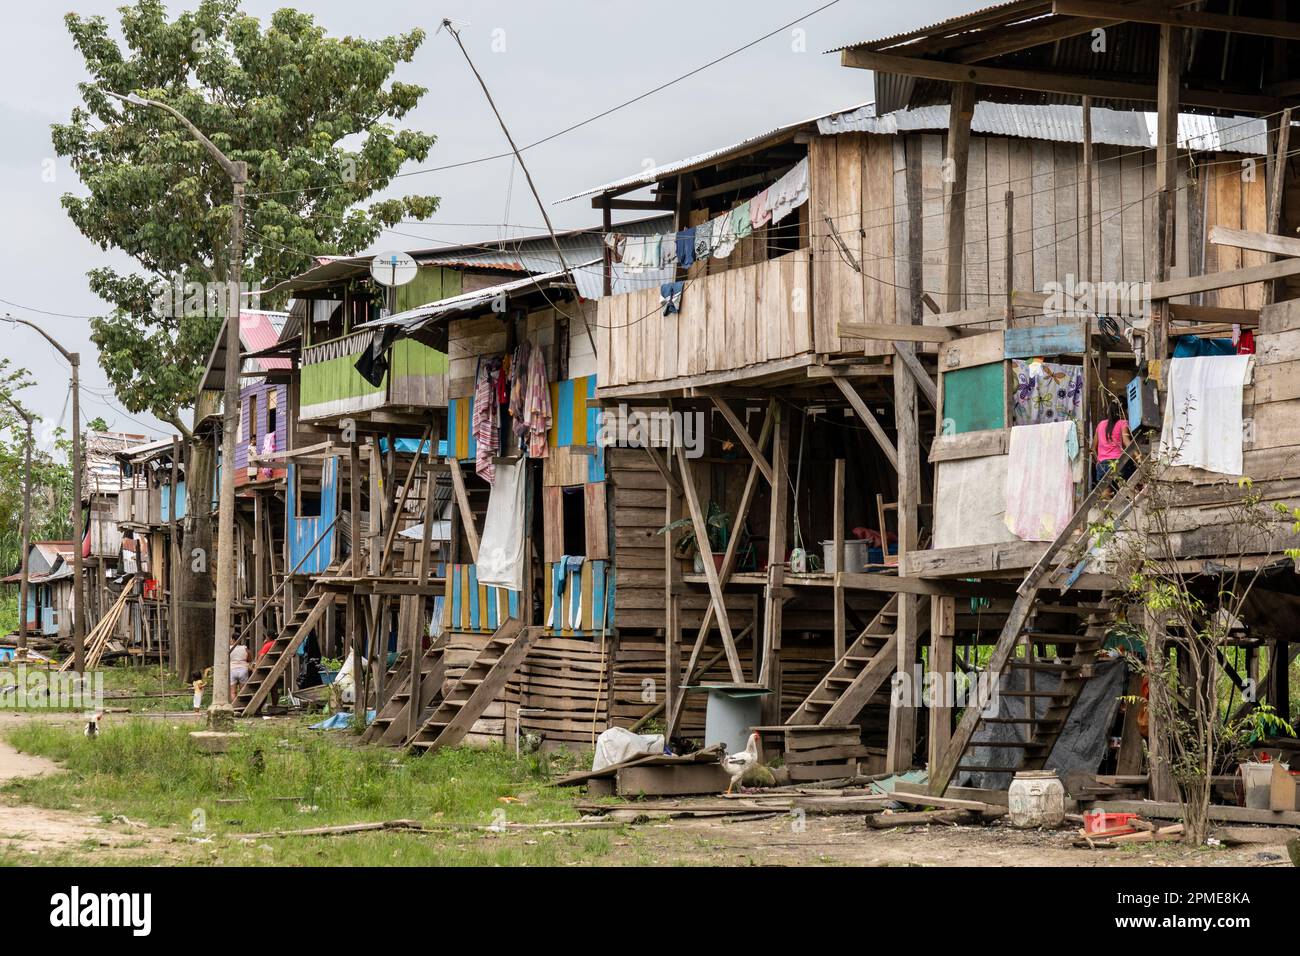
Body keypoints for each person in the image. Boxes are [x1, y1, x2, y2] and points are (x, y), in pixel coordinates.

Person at [1092, 400, 1133, 485]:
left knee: (1106, 494)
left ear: (1108, 411)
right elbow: (1126, 441)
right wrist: (1138, 456)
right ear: (1121, 412)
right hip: (1118, 464)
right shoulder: (1122, 423)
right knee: (1126, 490)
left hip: (1102, 466)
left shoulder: (1100, 425)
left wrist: (1098, 462)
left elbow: (1093, 449)